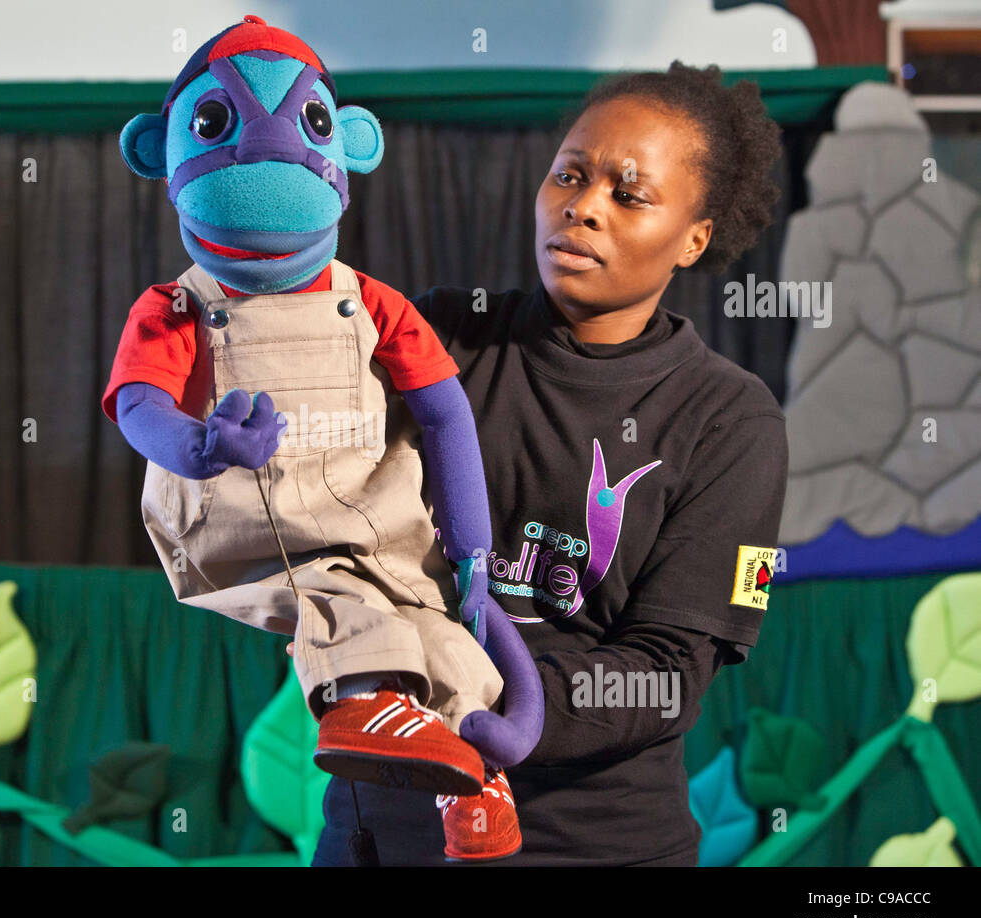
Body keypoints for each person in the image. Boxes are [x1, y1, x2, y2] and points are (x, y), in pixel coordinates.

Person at [310, 61, 790, 866]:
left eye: (628, 195)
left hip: (592, 845)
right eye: (569, 175)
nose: (582, 207)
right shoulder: (436, 336)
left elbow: (666, 676)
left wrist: (471, 710)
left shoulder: (733, 421)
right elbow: (325, 525)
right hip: (384, 833)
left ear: (694, 238)